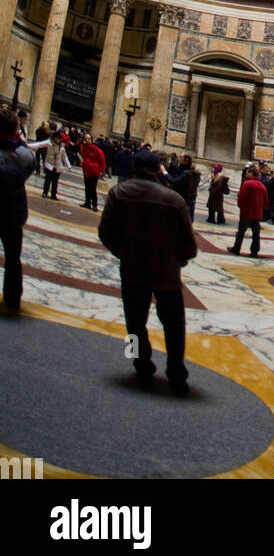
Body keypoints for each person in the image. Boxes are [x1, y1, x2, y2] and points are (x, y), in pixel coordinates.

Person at [98, 148, 197, 393]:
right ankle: (176, 372)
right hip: (167, 273)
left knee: (133, 323)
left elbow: (105, 232)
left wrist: (122, 252)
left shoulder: (118, 192)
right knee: (174, 326)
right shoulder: (174, 200)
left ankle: (139, 362)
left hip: (132, 269)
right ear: (157, 170)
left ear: (133, 168)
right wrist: (179, 260)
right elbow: (190, 245)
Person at [0, 106, 36, 312]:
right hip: (13, 214)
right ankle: (13, 297)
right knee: (13, 257)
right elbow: (30, 161)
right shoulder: (23, 155)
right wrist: (19, 140)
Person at [227, 164, 268, 258]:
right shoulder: (262, 186)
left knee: (241, 232)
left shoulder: (246, 184)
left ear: (251, 173)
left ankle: (236, 248)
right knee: (256, 234)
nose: (246, 174)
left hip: (246, 213)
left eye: (247, 172)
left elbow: (241, 198)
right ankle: (254, 252)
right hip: (257, 214)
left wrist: (241, 206)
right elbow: (266, 202)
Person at [40, 128, 71, 200]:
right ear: (53, 138)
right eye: (56, 138)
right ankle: (45, 192)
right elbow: (40, 144)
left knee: (55, 182)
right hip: (50, 165)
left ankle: (53, 194)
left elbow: (64, 157)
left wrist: (68, 165)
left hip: (57, 166)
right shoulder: (49, 144)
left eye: (58, 138)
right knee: (48, 180)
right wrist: (30, 145)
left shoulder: (62, 148)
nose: (57, 140)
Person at [79, 132, 106, 212]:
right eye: (85, 139)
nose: (87, 140)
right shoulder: (83, 148)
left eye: (88, 139)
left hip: (94, 172)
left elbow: (103, 162)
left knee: (92, 188)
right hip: (86, 170)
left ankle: (94, 204)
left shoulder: (97, 150)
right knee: (87, 187)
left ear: (91, 140)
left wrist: (100, 170)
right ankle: (87, 202)